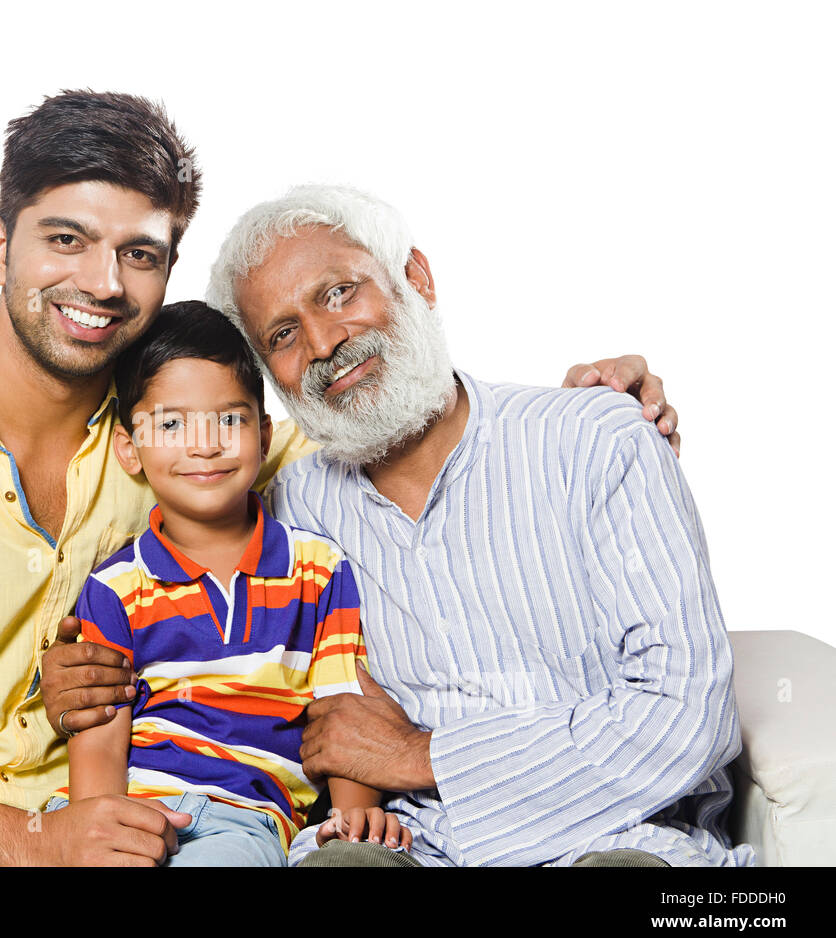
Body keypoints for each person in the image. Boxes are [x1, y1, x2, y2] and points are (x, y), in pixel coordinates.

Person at [0, 89, 680, 867]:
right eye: (65, 240)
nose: (103, 282)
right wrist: (32, 840)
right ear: (0, 247)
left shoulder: (196, 444)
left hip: (133, 830)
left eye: (140, 253)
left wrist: (585, 415)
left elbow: (380, 410)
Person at [207, 184, 751, 867]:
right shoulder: (293, 507)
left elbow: (685, 714)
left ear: (416, 279)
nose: (323, 342)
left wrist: (420, 755)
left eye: (340, 292)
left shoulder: (596, 441)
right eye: (282, 335)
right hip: (415, 847)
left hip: (620, 836)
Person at [43, 301, 412, 865]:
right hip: (128, 808)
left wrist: (352, 809)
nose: (205, 444)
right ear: (129, 449)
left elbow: (341, 699)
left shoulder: (319, 568)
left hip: (239, 818)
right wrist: (99, 831)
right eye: (171, 424)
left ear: (263, 436)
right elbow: (100, 725)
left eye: (229, 420)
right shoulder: (115, 586)